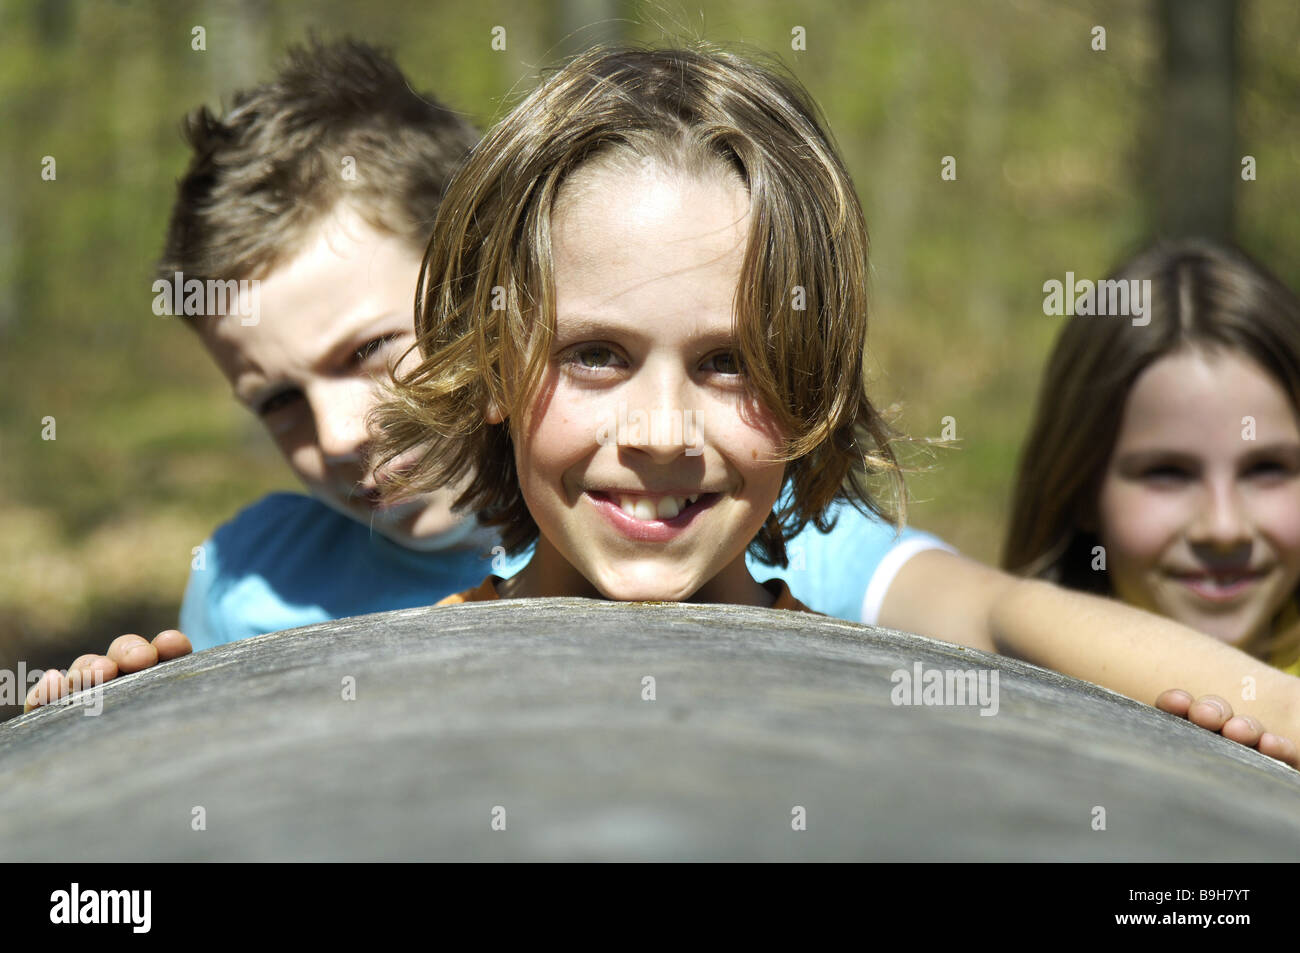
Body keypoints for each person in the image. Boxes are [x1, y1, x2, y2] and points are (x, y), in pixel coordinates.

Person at [371, 46, 1300, 762]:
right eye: (595, 356)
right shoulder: (379, 691)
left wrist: (1260, 714)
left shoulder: (887, 699)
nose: (660, 434)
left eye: (730, 362)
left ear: (810, 384)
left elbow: (1004, 617)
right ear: (491, 366)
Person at [25, 39, 951, 710]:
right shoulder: (247, 580)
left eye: (370, 349)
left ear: (476, 308)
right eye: (277, 401)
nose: (341, 432)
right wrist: (135, 720)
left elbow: (992, 621)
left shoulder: (742, 530)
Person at [1005, 239, 1300, 694]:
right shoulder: (999, 698)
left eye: (1267, 469)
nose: (1223, 528)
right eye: (1168, 473)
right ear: (1081, 490)